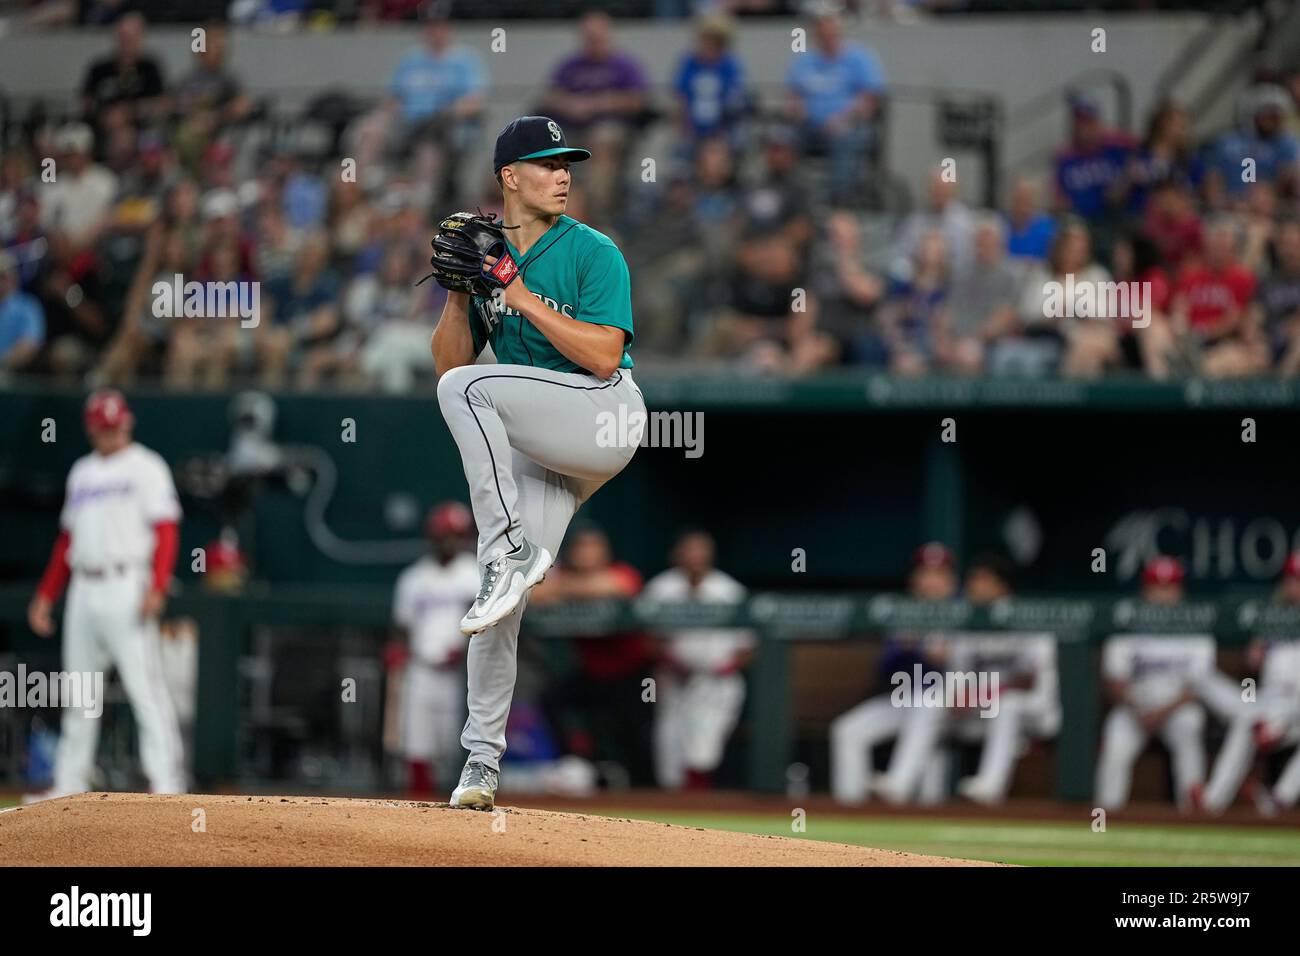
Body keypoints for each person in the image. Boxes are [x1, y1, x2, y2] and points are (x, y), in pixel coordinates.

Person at [430, 116, 646, 810]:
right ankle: (481, 766)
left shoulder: (593, 250)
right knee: (498, 605)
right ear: (508, 177)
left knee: (470, 391)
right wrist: (461, 290)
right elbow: (448, 363)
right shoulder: (489, 252)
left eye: (567, 163)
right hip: (543, 441)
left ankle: (505, 546)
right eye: (548, 162)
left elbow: (605, 355)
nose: (563, 174)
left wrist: (517, 296)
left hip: (605, 413)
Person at [25, 389, 185, 802]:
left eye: (116, 428)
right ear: (91, 429)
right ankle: (68, 785)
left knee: (144, 688)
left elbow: (166, 530)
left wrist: (158, 585)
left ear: (126, 424)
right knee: (80, 693)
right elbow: (66, 541)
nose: (110, 435)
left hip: (125, 582)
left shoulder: (147, 467)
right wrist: (46, 595)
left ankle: (167, 785)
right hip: (83, 587)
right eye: (103, 429)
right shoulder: (82, 471)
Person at [829, 542, 956, 805]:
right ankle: (850, 808)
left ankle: (898, 786)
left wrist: (942, 657)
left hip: (964, 704)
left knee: (929, 699)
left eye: (938, 574)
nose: (930, 581)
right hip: (910, 700)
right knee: (848, 730)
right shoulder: (903, 613)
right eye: (924, 574)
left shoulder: (966, 612)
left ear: (951, 580)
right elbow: (886, 668)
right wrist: (907, 650)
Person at [1094, 556, 1214, 811]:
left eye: (1169, 587)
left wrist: (1162, 712)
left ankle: (1192, 813)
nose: (1162, 595)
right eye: (1156, 587)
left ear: (1180, 590)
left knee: (1190, 724)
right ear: (1145, 590)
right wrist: (1136, 707)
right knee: (1115, 742)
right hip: (1135, 706)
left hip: (1177, 706)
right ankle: (1106, 816)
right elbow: (1113, 679)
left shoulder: (1196, 626)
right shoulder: (1127, 622)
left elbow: (1201, 686)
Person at [644, 530, 753, 790]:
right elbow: (647, 637)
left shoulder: (729, 590)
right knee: (669, 750)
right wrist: (673, 662)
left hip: (718, 682)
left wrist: (726, 667)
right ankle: (666, 817)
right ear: (676, 554)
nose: (695, 556)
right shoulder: (660, 588)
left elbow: (748, 646)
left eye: (701, 550)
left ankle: (697, 811)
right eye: (689, 549)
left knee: (703, 752)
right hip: (674, 678)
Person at [388, 502, 480, 797]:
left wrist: (466, 650)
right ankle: (420, 807)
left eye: (454, 534)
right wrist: (397, 653)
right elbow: (402, 626)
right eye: (443, 534)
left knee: (452, 745)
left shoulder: (475, 574)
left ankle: (454, 807)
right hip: (421, 668)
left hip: (461, 674)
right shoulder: (413, 578)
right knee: (417, 740)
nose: (447, 540)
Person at [1200, 553, 1300, 815]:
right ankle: (1211, 805)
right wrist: (1255, 653)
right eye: (1293, 579)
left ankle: (1277, 800)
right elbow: (1250, 669)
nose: (1296, 587)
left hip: (1294, 712)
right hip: (1265, 703)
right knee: (1244, 716)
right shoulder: (1273, 618)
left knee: (1253, 717)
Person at [785, 2, 885, 205]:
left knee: (844, 141)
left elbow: (870, 99)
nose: (824, 30)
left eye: (828, 24)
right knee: (782, 139)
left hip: (849, 126)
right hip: (810, 127)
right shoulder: (804, 61)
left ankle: (839, 203)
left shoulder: (859, 58)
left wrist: (843, 119)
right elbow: (793, 96)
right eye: (819, 25)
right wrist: (796, 109)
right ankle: (787, 199)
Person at [0, 250, 44, 372]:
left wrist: (4, 363)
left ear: (13, 278)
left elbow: (30, 343)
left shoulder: (28, 306)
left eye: (2, 276)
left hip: (14, 373)